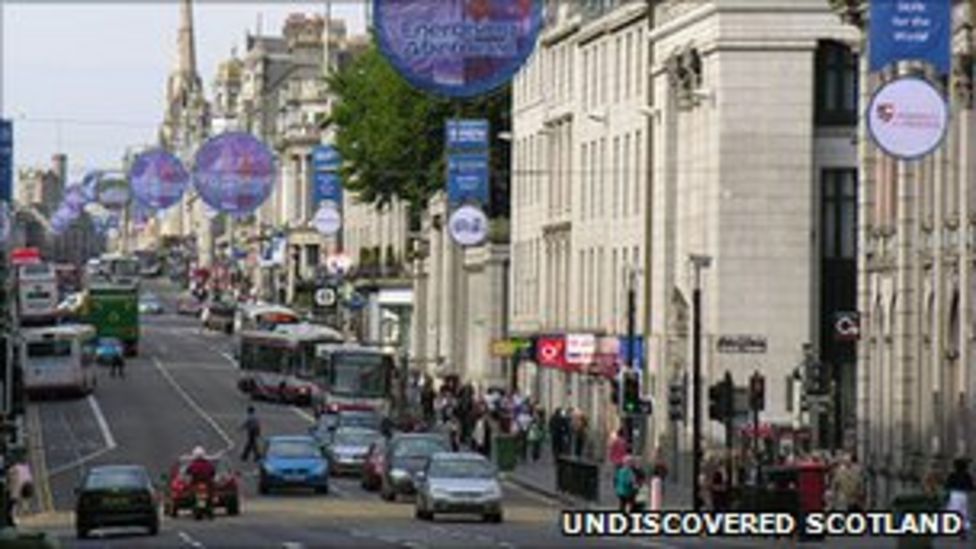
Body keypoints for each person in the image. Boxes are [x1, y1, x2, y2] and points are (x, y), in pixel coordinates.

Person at [945, 457, 974, 538]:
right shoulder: (967, 475)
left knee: (953, 511)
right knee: (963, 512)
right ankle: (962, 530)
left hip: (954, 494)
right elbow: (971, 487)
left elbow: (947, 486)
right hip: (963, 495)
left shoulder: (952, 475)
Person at [186, 446, 216, 518]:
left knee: (192, 494)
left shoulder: (193, 464)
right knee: (210, 494)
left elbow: (188, 471)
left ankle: (205, 509)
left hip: (198, 484)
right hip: (204, 484)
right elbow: (213, 472)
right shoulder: (207, 464)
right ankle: (209, 510)